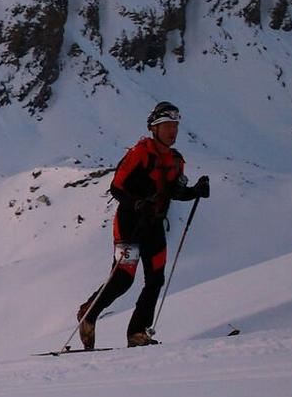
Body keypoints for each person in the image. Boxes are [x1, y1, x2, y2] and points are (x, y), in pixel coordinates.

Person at [76, 102, 210, 349]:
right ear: (154, 128)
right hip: (130, 224)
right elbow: (116, 187)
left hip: (155, 225)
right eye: (168, 126)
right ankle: (88, 314)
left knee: (155, 279)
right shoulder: (140, 153)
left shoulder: (176, 160)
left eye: (175, 126)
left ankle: (137, 333)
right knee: (123, 280)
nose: (173, 131)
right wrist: (137, 204)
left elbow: (174, 191)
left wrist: (194, 192)